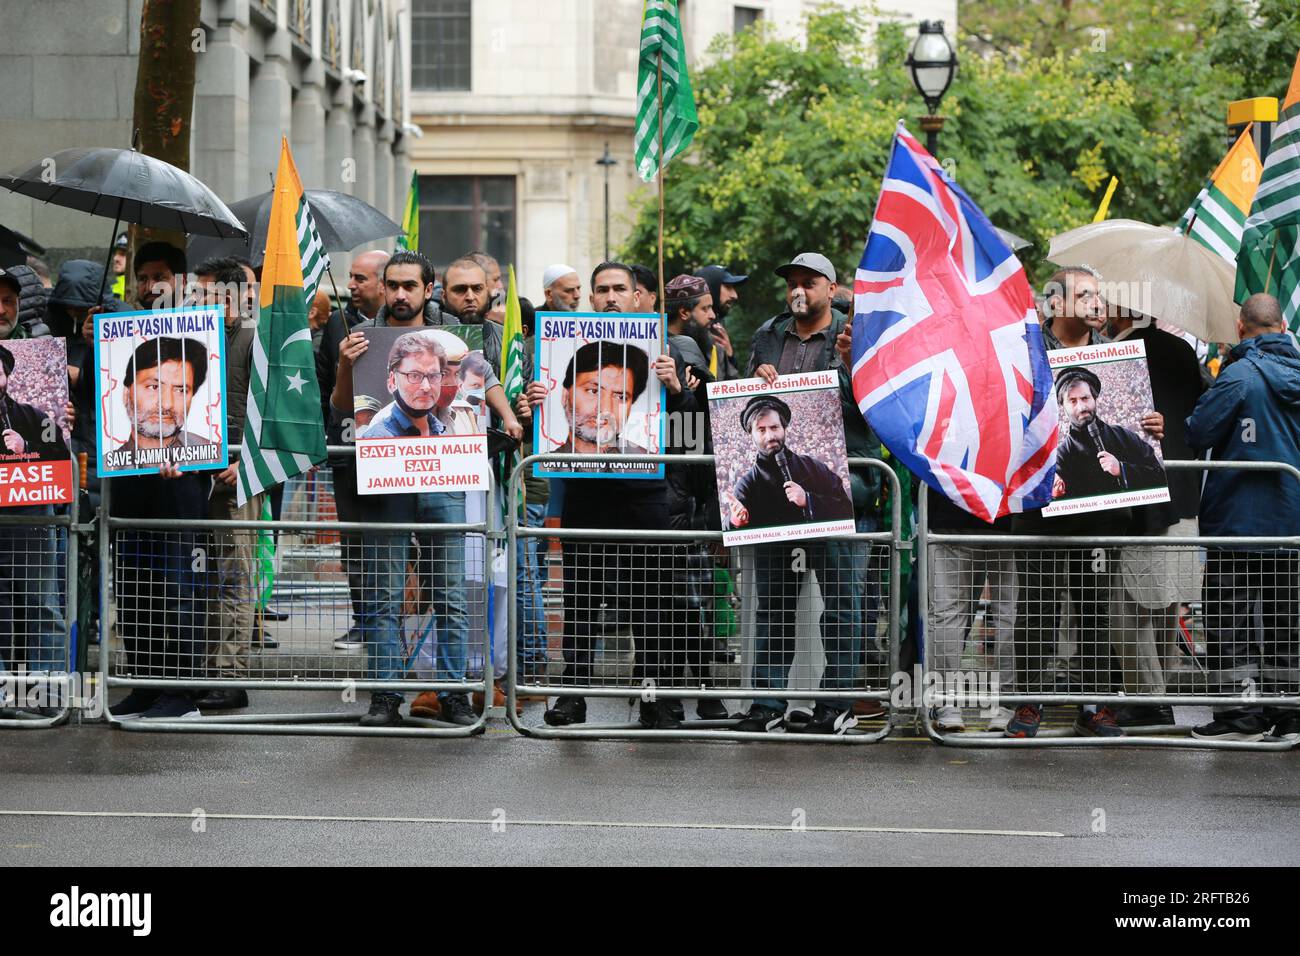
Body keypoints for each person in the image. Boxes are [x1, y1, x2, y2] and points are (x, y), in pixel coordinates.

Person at [331, 251, 520, 727]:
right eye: (391, 285)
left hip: (446, 477)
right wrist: (343, 365)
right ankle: (384, 697)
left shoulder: (454, 335)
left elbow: (487, 381)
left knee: (452, 594)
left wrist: (511, 418)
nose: (398, 294)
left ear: (427, 289)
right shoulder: (363, 338)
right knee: (383, 596)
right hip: (385, 481)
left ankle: (454, 693)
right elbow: (338, 406)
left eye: (408, 286)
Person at [527, 261, 691, 729]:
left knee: (653, 602)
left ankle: (655, 697)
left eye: (621, 288)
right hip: (583, 493)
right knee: (581, 599)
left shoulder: (665, 353)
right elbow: (534, 429)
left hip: (646, 494)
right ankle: (573, 694)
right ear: (592, 297)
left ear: (639, 295)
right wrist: (529, 404)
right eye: (602, 290)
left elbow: (693, 422)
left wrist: (676, 389)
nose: (611, 296)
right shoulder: (557, 351)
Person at [740, 251, 882, 735]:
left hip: (840, 490)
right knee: (774, 601)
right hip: (775, 495)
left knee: (843, 601)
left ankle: (834, 703)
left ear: (830, 287)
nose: (798, 290)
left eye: (809, 282)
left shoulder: (855, 332)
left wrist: (848, 368)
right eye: (791, 283)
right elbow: (743, 409)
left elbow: (875, 411)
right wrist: (751, 383)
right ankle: (767, 703)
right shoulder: (767, 334)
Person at [1186, 293, 1300, 742]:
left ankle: (1239, 717)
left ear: (1240, 328)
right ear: (1284, 328)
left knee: (1229, 617)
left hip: (1236, 521)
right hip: (1292, 524)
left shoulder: (1238, 376)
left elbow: (1198, 431)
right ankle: (1290, 714)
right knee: (1287, 619)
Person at [1105, 305, 1206, 728]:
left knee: (1126, 607)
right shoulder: (1182, 351)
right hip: (1185, 498)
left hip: (1143, 504)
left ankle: (1150, 700)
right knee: (1166, 604)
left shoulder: (1119, 352)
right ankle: (1159, 691)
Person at [187, 258, 260, 713]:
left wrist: (245, 462)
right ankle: (210, 669)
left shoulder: (255, 340)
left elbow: (270, 410)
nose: (196, 299)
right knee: (209, 576)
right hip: (199, 471)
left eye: (206, 292)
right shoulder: (193, 337)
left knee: (235, 576)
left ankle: (230, 675)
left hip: (236, 476)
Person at [0, 283, 69, 717]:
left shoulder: (32, 413)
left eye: (9, 299)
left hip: (30, 514)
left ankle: (48, 696)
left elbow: (60, 460)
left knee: (43, 603)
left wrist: (61, 423)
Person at [317, 250, 389, 652]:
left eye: (360, 278)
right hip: (348, 451)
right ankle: (364, 620)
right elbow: (323, 381)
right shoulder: (336, 325)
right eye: (350, 277)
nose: (351, 286)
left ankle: (397, 620)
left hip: (400, 457)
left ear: (384, 282)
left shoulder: (412, 324)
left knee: (400, 540)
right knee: (356, 542)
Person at [726, 395, 853, 530]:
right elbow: (730, 531)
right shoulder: (746, 486)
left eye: (774, 427)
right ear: (751, 435)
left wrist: (808, 500)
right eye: (761, 430)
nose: (770, 436)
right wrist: (735, 521)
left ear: (784, 428)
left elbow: (846, 508)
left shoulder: (813, 467)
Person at [1051, 367, 1165, 501]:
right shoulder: (1060, 457)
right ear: (1063, 406)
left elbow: (1160, 477)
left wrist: (1122, 470)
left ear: (1094, 398)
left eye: (1085, 398)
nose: (1081, 407)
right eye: (1073, 401)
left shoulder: (1124, 436)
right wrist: (1054, 494)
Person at [112, 336, 219, 463]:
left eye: (180, 390)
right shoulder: (110, 465)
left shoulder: (215, 455)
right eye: (154, 387)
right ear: (126, 394)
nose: (167, 404)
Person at [549, 340, 651, 457]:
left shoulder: (650, 466)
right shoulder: (542, 466)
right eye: (593, 391)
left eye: (620, 397)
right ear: (565, 396)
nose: (606, 409)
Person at [694, 264, 747, 380]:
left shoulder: (717, 327)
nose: (735, 295)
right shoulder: (689, 332)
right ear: (711, 287)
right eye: (728, 287)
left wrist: (729, 356)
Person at [1040, 266, 1108, 350]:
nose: (1099, 306)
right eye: (1086, 297)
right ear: (1057, 304)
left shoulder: (1114, 352)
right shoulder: (1029, 353)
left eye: (1098, 296)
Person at [133, 241, 187, 311]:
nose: (150, 288)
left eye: (159, 278)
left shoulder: (201, 319)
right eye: (142, 279)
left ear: (182, 281)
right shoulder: (128, 319)